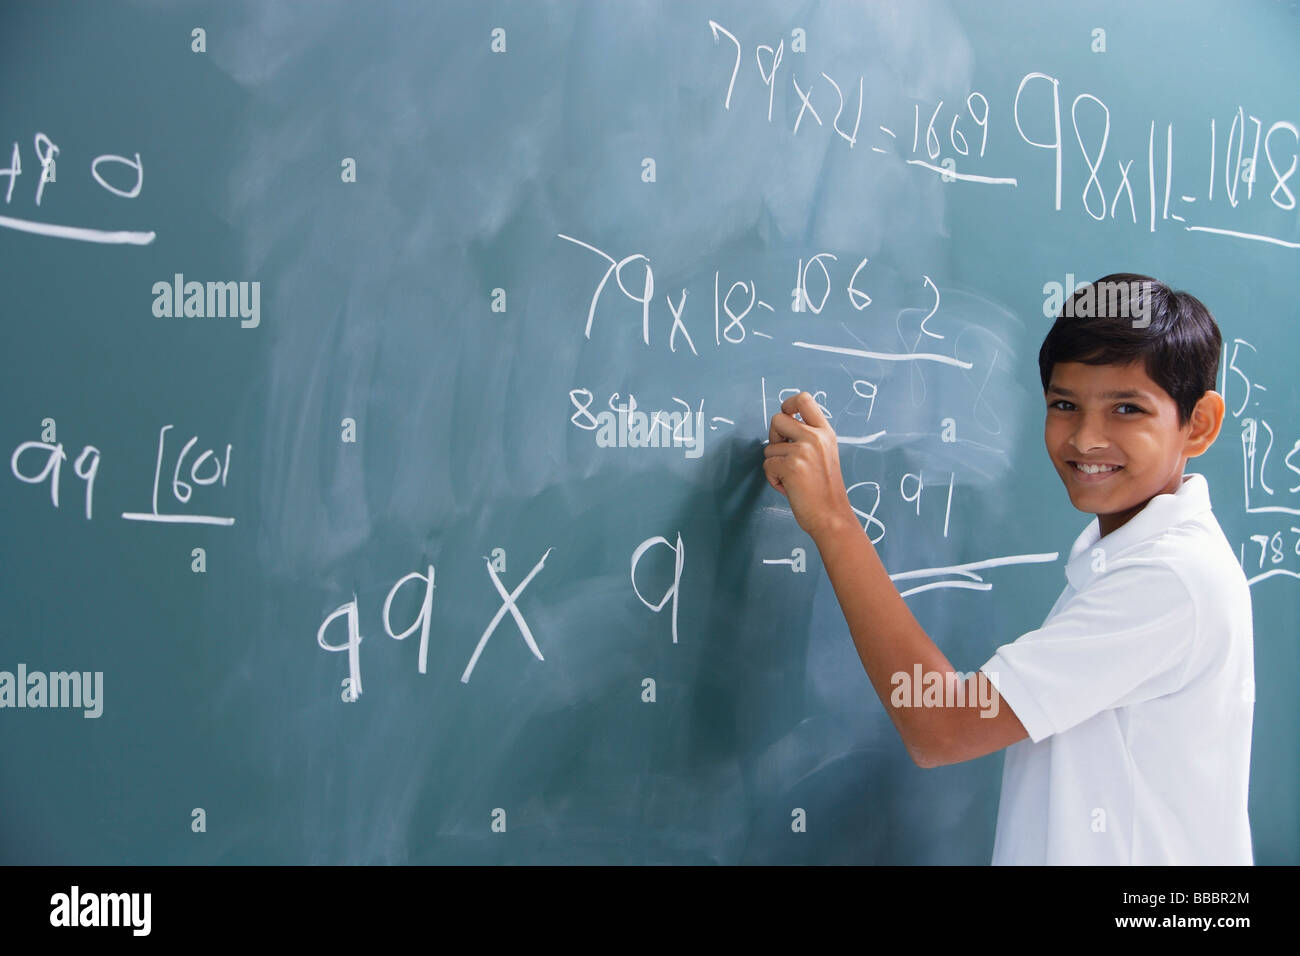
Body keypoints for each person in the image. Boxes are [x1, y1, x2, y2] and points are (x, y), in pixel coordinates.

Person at [763, 273, 1254, 865]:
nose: (1086, 438)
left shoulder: (1168, 579)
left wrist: (836, 520)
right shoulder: (1146, 558)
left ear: (1197, 424)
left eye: (1127, 408)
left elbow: (940, 725)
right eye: (1064, 405)